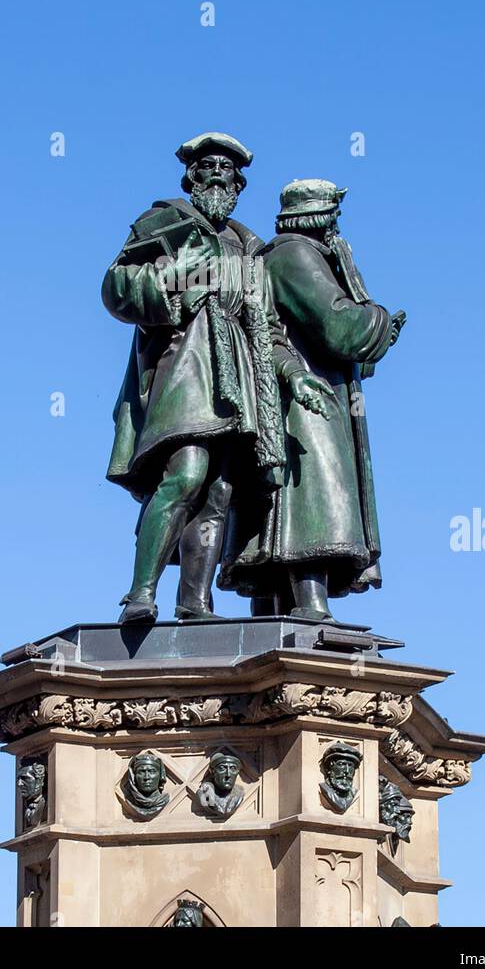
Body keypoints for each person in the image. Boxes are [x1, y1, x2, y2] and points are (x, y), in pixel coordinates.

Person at [103, 135, 327, 624]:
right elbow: (117, 288)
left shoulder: (247, 248)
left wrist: (294, 375)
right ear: (192, 176)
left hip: (239, 375)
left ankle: (195, 604)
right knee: (185, 474)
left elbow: (266, 326)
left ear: (239, 184)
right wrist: (176, 277)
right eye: (209, 166)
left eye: (228, 169)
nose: (219, 175)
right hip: (186, 367)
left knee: (221, 492)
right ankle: (140, 594)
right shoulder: (167, 221)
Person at [219, 179, 405, 622]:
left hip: (299, 392)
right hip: (300, 403)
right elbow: (336, 324)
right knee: (309, 494)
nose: (338, 226)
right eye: (334, 214)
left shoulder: (287, 254)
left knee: (288, 500)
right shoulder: (294, 254)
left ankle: (275, 610)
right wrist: (378, 320)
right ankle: (309, 604)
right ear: (320, 216)